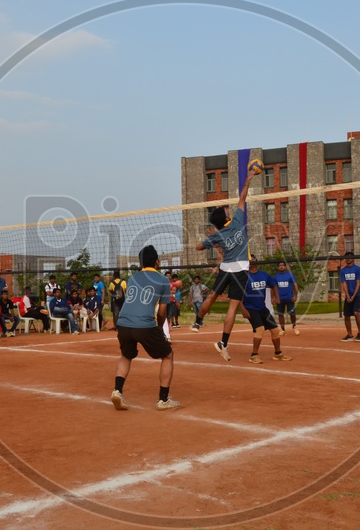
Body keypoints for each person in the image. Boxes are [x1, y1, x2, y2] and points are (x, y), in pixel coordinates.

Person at [190, 170, 258, 361]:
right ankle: (223, 343)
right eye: (225, 210)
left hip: (226, 268)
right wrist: (248, 179)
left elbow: (199, 248)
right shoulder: (237, 221)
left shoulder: (217, 234)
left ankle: (197, 322)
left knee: (212, 296)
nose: (227, 210)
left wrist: (205, 242)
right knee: (232, 307)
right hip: (240, 269)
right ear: (226, 217)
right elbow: (243, 197)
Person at [111, 245, 180, 411]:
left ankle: (117, 391)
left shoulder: (133, 277)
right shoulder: (163, 280)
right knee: (168, 355)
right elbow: (162, 311)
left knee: (126, 356)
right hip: (144, 324)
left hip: (123, 323)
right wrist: (158, 327)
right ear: (157, 261)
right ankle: (163, 400)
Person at [240, 256, 292, 364]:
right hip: (250, 308)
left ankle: (278, 354)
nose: (251, 261)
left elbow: (274, 285)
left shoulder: (264, 274)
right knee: (260, 329)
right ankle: (254, 356)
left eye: (253, 259)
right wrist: (242, 308)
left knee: (275, 330)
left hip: (262, 308)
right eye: (249, 260)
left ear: (257, 262)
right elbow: (237, 294)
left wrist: (276, 297)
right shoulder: (243, 276)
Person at [339, 252, 360, 342]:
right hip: (349, 296)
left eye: (350, 257)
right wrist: (348, 295)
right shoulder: (343, 271)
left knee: (356, 313)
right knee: (346, 315)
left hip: (357, 295)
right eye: (346, 257)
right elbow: (344, 284)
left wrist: (353, 296)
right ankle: (349, 335)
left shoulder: (357, 269)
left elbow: (358, 283)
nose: (348, 259)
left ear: (353, 258)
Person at [274, 261, 300, 336]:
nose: (281, 267)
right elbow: (273, 288)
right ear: (277, 267)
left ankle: (294, 326)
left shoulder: (290, 275)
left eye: (283, 265)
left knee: (292, 313)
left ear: (285, 267)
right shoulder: (276, 277)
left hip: (289, 298)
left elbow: (295, 285)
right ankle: (282, 329)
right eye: (280, 265)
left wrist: (295, 295)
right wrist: (274, 298)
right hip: (280, 299)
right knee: (280, 314)